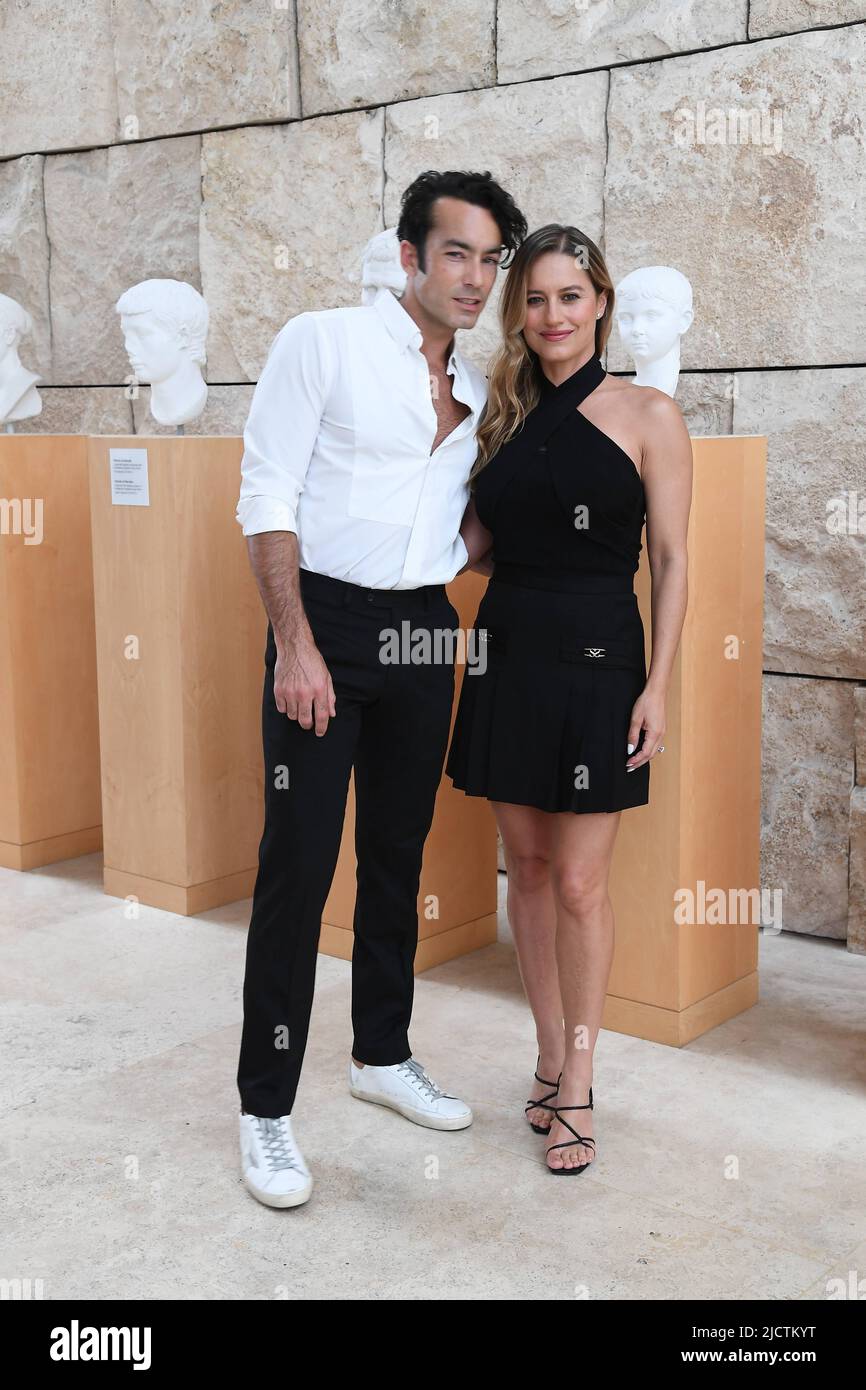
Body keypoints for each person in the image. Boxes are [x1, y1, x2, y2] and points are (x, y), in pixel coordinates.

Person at [234, 170, 528, 1207]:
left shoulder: (482, 383)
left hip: (419, 626)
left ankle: (379, 1053)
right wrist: (293, 645)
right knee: (298, 867)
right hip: (323, 618)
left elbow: (461, 529)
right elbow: (265, 491)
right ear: (408, 255)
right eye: (456, 253)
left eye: (490, 259)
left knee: (396, 856)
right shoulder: (323, 340)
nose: (475, 278)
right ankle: (265, 1109)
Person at [445, 224, 693, 1175]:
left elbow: (670, 563)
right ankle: (547, 1053)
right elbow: (472, 544)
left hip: (601, 659)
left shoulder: (648, 414)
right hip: (508, 648)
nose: (554, 315)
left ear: (600, 305)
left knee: (583, 882)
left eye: (570, 297)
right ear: (522, 313)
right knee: (530, 869)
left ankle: (582, 1078)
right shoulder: (499, 415)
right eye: (536, 299)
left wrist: (658, 687)